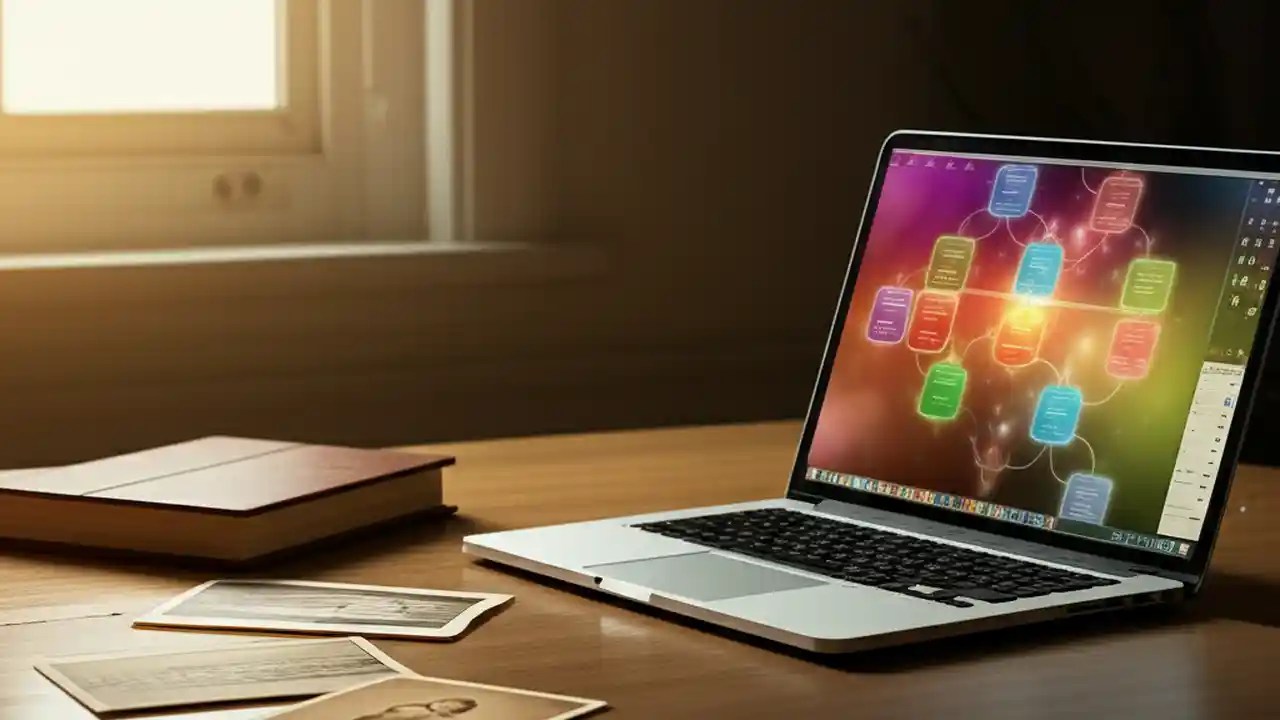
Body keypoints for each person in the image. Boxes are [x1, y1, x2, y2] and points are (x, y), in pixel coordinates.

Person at [354, 698, 478, 719]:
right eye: (443, 703)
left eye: (448, 707)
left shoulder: (432, 717)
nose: (442, 706)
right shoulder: (418, 707)